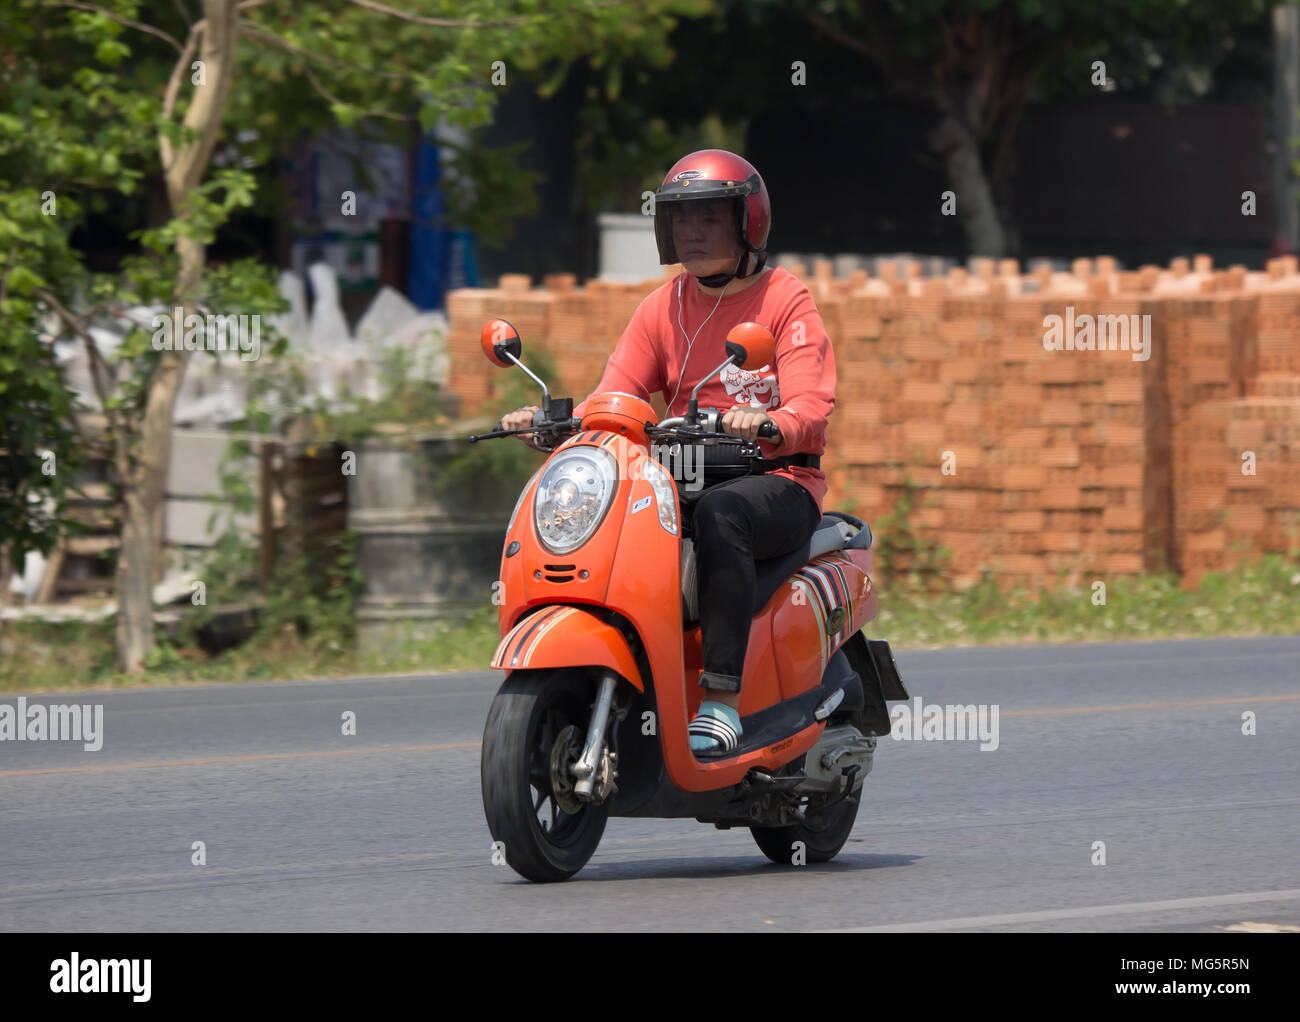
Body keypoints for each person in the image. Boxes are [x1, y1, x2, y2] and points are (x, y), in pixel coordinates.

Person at [501, 149, 836, 758]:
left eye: (710, 217)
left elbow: (812, 407)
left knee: (720, 515)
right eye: (682, 219)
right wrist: (554, 424)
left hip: (777, 480)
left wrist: (769, 422)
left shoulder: (786, 301)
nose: (693, 231)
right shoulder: (662, 307)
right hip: (681, 474)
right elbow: (616, 395)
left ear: (747, 223)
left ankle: (722, 700)